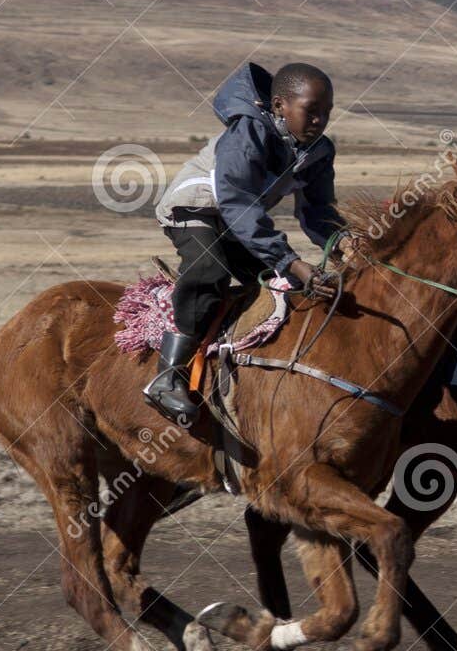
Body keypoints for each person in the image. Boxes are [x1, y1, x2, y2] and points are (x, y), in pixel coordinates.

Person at [143, 61, 346, 424]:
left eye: (326, 112)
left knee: (281, 287)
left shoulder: (318, 150)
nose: (320, 121)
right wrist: (290, 260)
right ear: (280, 105)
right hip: (195, 208)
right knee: (210, 272)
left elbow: (317, 211)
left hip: (237, 222)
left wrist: (344, 242)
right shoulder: (249, 132)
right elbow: (237, 202)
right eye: (311, 111)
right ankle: (167, 377)